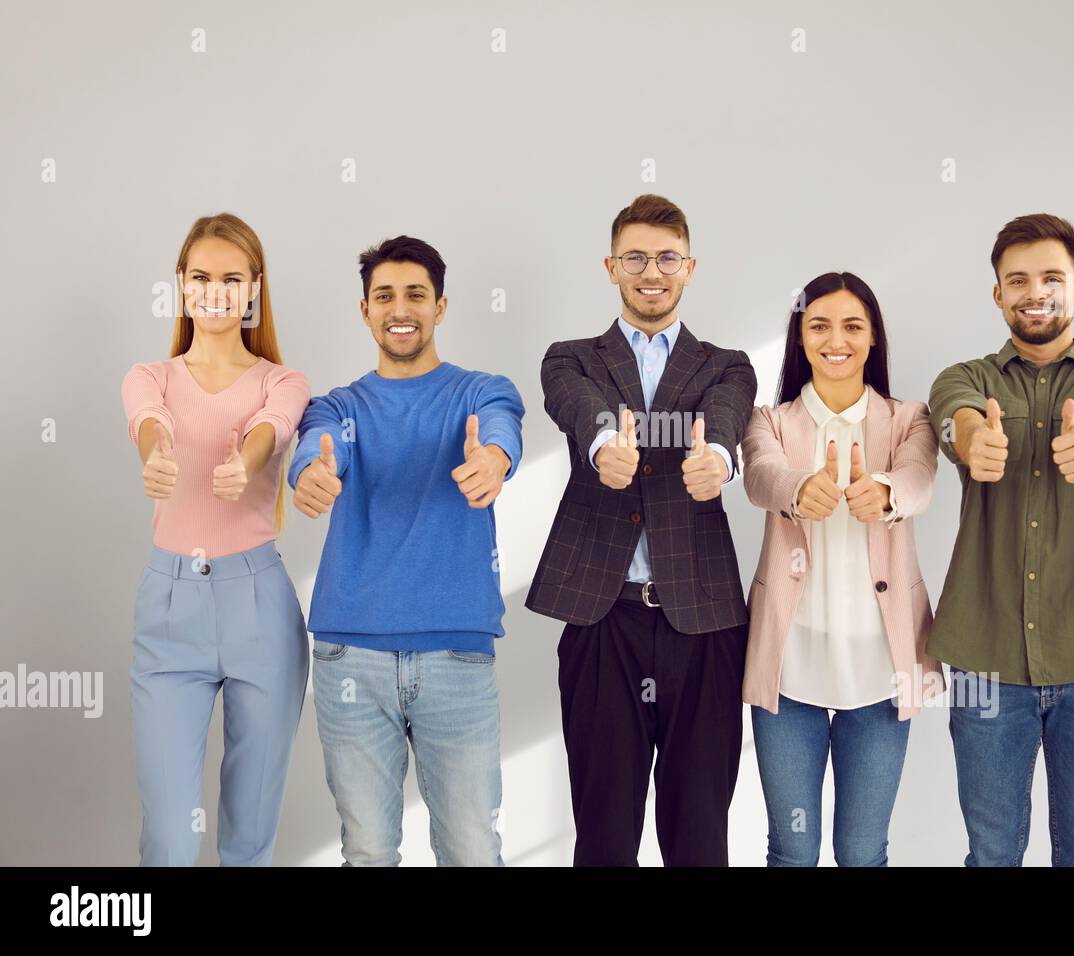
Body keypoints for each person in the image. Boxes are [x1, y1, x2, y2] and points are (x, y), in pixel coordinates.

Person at [527, 194, 758, 866]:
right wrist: (605, 447)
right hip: (604, 620)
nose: (650, 271)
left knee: (699, 835)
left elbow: (724, 415)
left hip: (704, 623)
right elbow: (581, 409)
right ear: (611, 266)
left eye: (665, 258)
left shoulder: (726, 363)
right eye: (635, 257)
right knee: (603, 833)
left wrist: (715, 460)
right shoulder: (569, 358)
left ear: (689, 268)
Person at [928, 213, 1074, 866]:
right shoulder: (964, 378)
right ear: (997, 293)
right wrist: (977, 444)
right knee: (993, 852)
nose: (1037, 292)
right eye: (1019, 280)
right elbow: (957, 423)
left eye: (1053, 278)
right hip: (986, 663)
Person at [289, 236, 524, 866]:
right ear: (364, 310)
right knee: (367, 850)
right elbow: (316, 442)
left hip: (457, 659)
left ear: (441, 307)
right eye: (385, 295)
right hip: (351, 657)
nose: (401, 308)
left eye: (416, 294)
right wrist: (310, 471)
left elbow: (501, 428)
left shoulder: (480, 392)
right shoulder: (340, 406)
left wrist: (494, 460)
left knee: (473, 849)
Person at [121, 212, 311, 866]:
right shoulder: (151, 377)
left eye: (232, 279)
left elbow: (273, 426)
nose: (215, 291)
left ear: (254, 290)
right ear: (181, 284)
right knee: (172, 837)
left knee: (249, 839)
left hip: (259, 606)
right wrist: (156, 450)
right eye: (201, 276)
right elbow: (149, 422)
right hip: (170, 609)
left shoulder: (282, 382)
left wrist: (247, 462)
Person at [740, 271, 942, 866]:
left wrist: (884, 493)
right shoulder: (769, 421)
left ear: (874, 337)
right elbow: (760, 475)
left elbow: (919, 477)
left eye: (853, 325)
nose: (837, 339)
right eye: (819, 325)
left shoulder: (908, 418)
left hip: (881, 674)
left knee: (862, 852)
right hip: (789, 674)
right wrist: (801, 489)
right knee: (792, 850)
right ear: (800, 339)